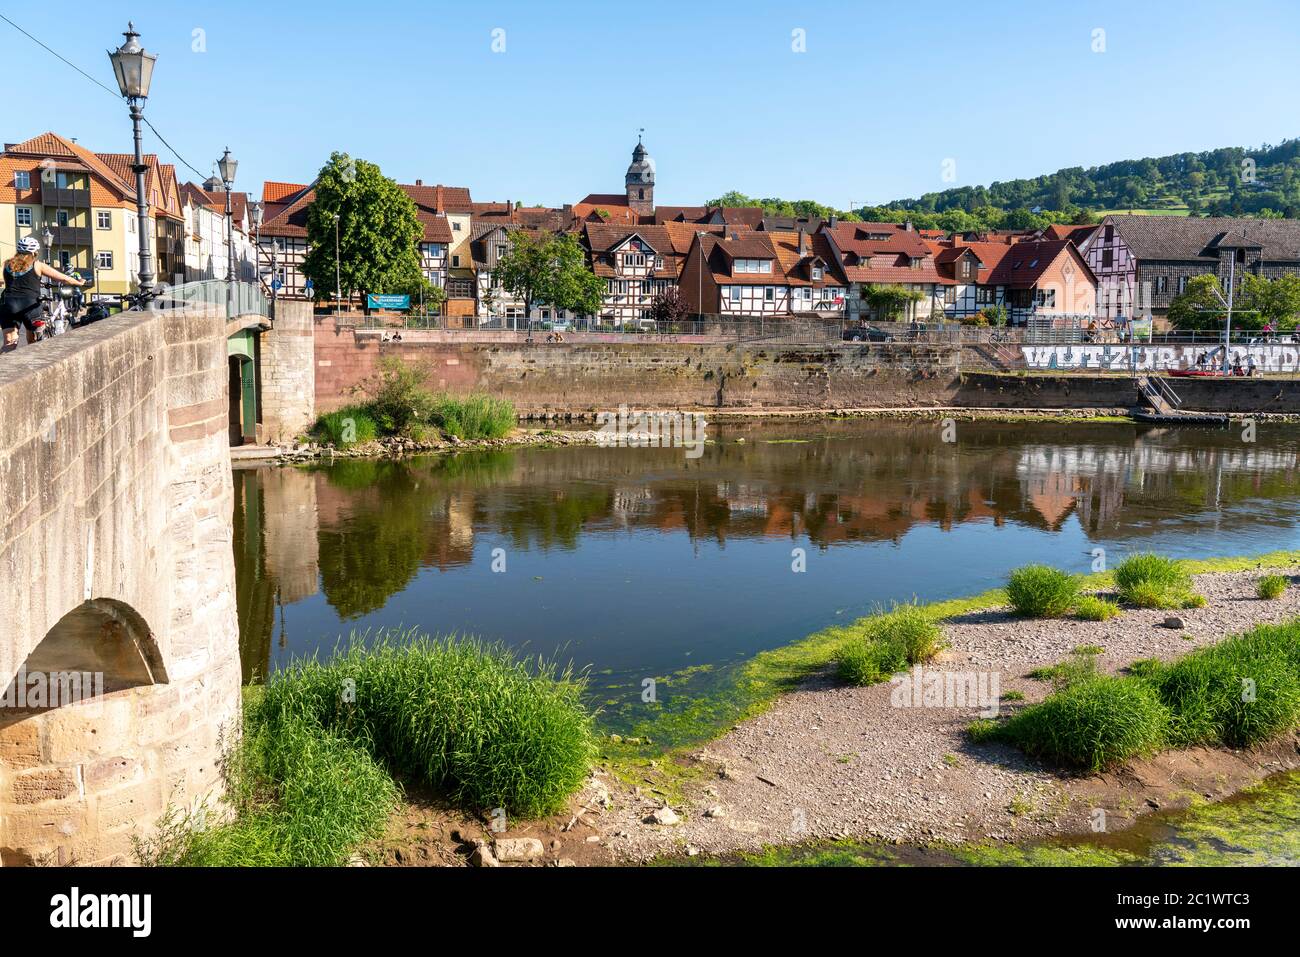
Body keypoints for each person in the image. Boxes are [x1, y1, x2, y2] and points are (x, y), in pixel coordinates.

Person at [2, 237, 84, 352]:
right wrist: (79, 283)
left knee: (9, 343)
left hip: (9, 305)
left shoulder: (6, 264)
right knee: (35, 342)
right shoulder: (37, 265)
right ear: (34, 252)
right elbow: (64, 278)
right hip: (31, 306)